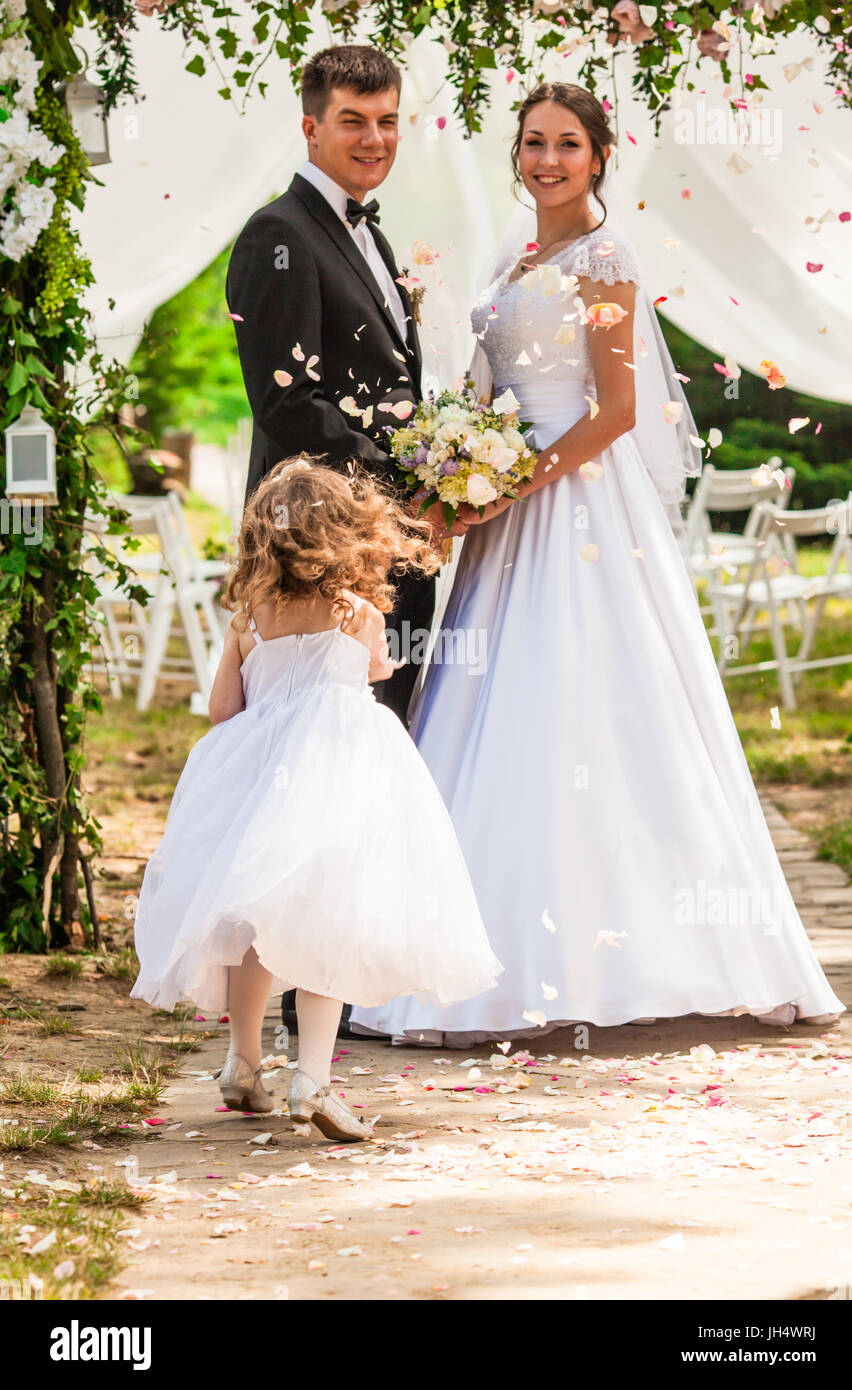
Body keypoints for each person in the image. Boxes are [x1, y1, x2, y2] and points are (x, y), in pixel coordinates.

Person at [349, 82, 844, 1047]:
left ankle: (635, 954)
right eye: (533, 143)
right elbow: (486, 383)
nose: (546, 160)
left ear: (599, 158)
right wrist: (456, 474)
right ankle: (478, 951)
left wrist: (511, 481)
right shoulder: (512, 255)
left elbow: (615, 411)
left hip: (574, 508)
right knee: (497, 706)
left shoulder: (606, 258)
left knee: (592, 701)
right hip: (502, 509)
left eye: (567, 144)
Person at [130, 459, 503, 1138]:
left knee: (253, 926)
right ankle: (313, 1080)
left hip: (257, 776)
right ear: (346, 535)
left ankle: (242, 1065)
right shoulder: (355, 612)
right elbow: (374, 674)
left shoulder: (251, 615)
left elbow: (222, 708)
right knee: (330, 917)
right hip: (338, 772)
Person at [227, 42, 442, 1035]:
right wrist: (408, 485)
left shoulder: (366, 235)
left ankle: (334, 991)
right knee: (309, 786)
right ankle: (294, 1011)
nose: (374, 139)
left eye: (388, 120)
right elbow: (293, 402)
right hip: (322, 555)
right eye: (353, 120)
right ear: (309, 124)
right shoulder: (276, 234)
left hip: (379, 542)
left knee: (366, 767)